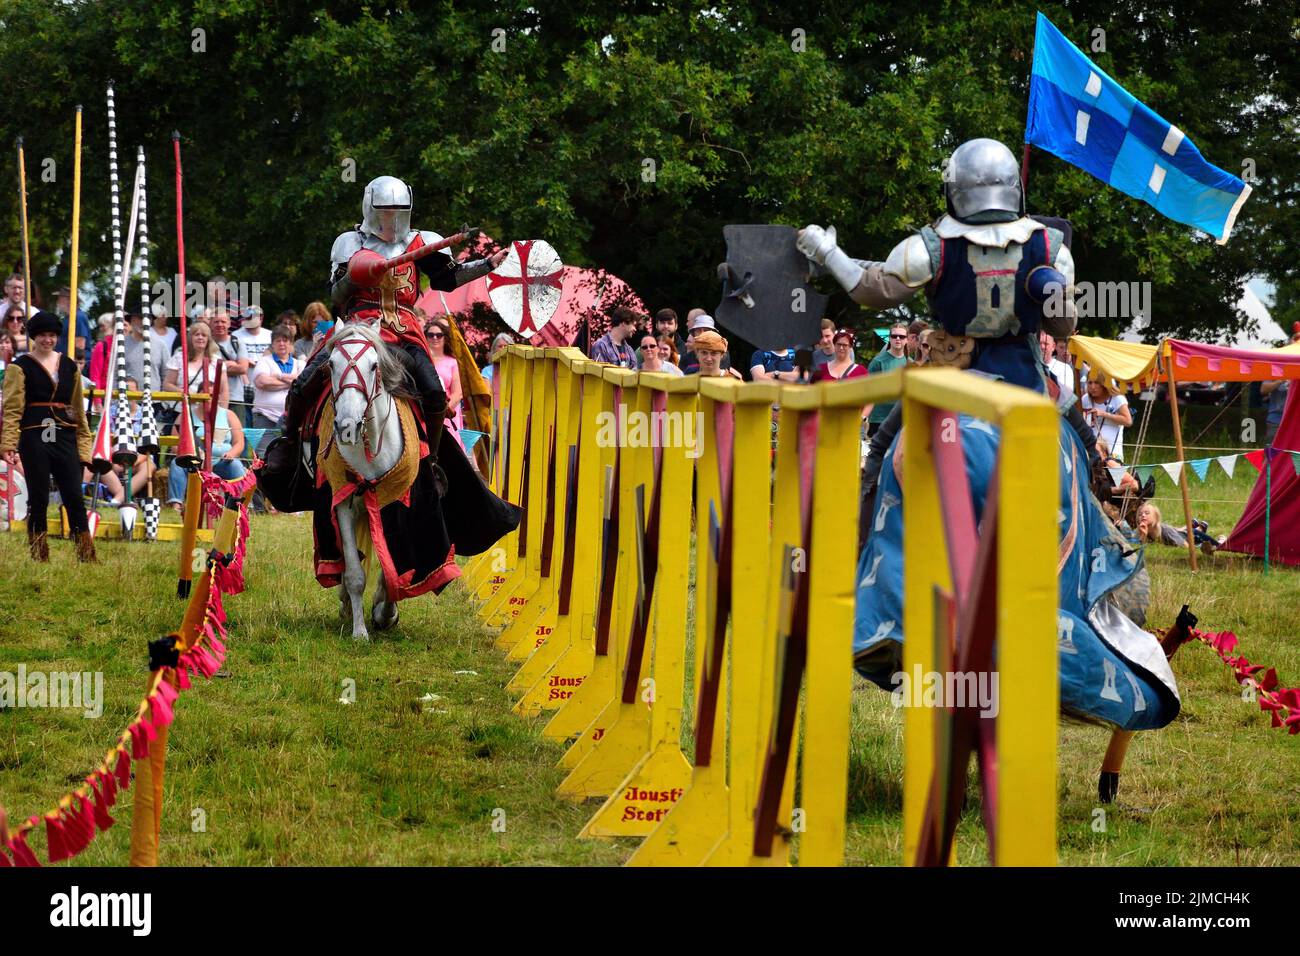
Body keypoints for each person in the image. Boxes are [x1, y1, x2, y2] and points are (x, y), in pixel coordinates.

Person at [281, 175, 506, 447]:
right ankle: (287, 445)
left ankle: (433, 460)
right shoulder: (350, 243)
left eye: (398, 211)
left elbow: (448, 279)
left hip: (405, 332)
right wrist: (354, 276)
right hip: (358, 329)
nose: (392, 217)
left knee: (435, 393)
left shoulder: (421, 241)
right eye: (386, 211)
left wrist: (488, 264)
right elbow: (336, 296)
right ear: (370, 208)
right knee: (305, 383)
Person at [0, 311, 95, 562]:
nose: (47, 340)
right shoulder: (19, 367)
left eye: (52, 335)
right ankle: (39, 552)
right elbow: (12, 408)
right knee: (39, 496)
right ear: (34, 337)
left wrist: (84, 448)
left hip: (64, 435)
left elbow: (78, 409)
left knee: (74, 495)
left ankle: (86, 552)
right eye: (42, 335)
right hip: (35, 435)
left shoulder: (69, 366)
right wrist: (9, 443)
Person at [166, 401, 247, 514]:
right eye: (205, 395)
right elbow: (175, 445)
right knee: (176, 463)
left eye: (212, 395)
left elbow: (239, 443)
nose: (209, 399)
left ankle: (239, 504)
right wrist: (191, 454)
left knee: (236, 465)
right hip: (194, 462)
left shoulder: (229, 415)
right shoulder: (185, 416)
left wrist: (231, 453)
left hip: (222, 462)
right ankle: (176, 504)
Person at [162, 320, 230, 417]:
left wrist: (222, 415)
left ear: (208, 339)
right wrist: (186, 394)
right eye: (196, 334)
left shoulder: (216, 361)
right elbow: (167, 384)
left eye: (204, 335)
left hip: (208, 413)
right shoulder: (179, 358)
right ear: (190, 338)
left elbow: (223, 391)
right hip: (181, 412)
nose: (200, 337)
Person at [250, 324, 303, 435]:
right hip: (265, 416)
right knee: (264, 447)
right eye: (278, 341)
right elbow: (262, 382)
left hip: (291, 418)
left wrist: (278, 376)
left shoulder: (300, 364)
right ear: (272, 344)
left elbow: (303, 382)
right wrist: (292, 383)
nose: (281, 344)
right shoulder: (264, 361)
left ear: (290, 343)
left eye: (285, 340)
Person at [424, 316, 467, 451]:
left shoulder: (453, 362)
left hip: (447, 414)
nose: (434, 338)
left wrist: (442, 411)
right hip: (425, 415)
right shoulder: (422, 361)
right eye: (430, 335)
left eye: (439, 335)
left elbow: (458, 393)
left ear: (445, 337)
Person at [860, 322, 909, 435]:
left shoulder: (910, 363)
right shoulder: (877, 362)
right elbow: (869, 392)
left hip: (902, 419)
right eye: (894, 336)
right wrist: (863, 417)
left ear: (906, 340)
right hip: (879, 419)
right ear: (889, 338)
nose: (898, 339)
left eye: (901, 336)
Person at [1134, 503, 1224, 556]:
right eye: (1140, 514)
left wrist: (1196, 548)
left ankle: (1222, 540)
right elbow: (1140, 545)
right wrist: (1143, 534)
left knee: (1218, 547)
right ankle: (1198, 527)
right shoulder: (1139, 531)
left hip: (1191, 536)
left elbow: (1185, 545)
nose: (1143, 515)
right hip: (1180, 535)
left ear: (1156, 517)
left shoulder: (1165, 530)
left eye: (1147, 513)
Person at [1082, 379, 1132, 460]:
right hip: (1091, 445)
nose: (1092, 387)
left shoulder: (1117, 398)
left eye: (1097, 382)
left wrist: (1104, 414)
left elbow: (1128, 421)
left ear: (1104, 384)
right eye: (1090, 383)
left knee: (1113, 467)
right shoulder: (1085, 399)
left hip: (1113, 446)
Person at [1041, 329, 1075, 404]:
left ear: (1053, 346)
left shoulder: (1064, 369)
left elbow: (1065, 400)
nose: (1042, 347)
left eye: (1046, 344)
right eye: (1039, 343)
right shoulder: (1028, 365)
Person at [1261, 379, 1290, 445]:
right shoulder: (1275, 373)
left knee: (1294, 449)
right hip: (1276, 419)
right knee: (1272, 448)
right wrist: (1281, 380)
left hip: (1295, 420)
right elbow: (1263, 389)